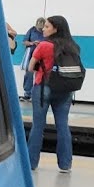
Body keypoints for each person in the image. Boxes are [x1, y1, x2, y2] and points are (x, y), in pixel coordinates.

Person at [27, 15, 77, 173]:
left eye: (47, 26)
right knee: (63, 125)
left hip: (43, 88)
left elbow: (30, 67)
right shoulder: (72, 46)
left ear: (55, 29)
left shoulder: (43, 45)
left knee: (38, 126)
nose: (43, 28)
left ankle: (31, 163)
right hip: (65, 90)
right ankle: (65, 164)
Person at [20, 17, 45, 101]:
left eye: (41, 28)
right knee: (29, 74)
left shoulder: (46, 32)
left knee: (41, 74)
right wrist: (32, 43)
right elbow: (24, 42)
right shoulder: (31, 30)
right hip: (31, 55)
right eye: (39, 28)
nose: (40, 29)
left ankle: (38, 94)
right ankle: (27, 93)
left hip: (42, 56)